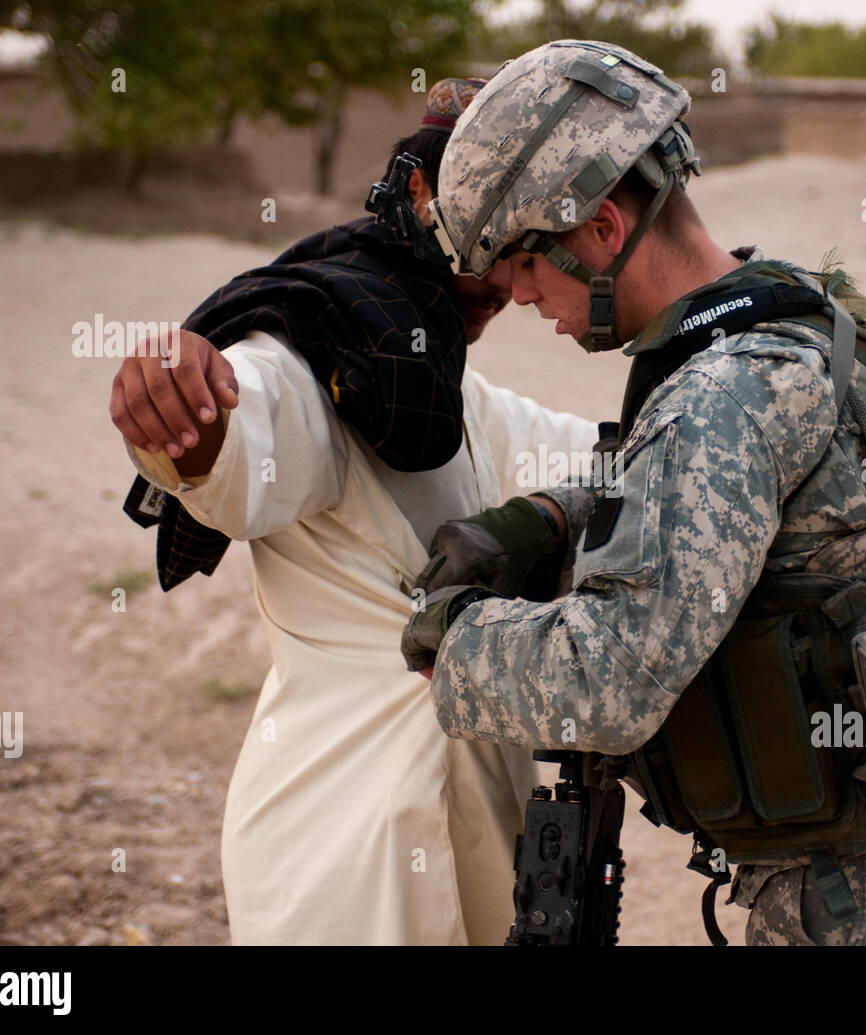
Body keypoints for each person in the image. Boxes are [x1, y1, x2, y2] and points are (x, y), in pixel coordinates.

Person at [402, 40, 866, 946]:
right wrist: (556, 514)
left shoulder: (721, 395)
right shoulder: (804, 311)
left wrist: (456, 636)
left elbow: (610, 682)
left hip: (863, 908)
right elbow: (716, 496)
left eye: (523, 262)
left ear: (600, 226)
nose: (517, 294)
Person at [110, 78, 599, 944]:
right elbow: (251, 428)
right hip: (347, 854)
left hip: (484, 835)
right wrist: (184, 414)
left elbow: (609, 460)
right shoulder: (320, 343)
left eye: (516, 234)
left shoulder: (457, 397)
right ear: (418, 192)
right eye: (474, 218)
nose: (492, 267)